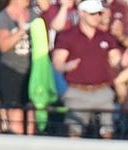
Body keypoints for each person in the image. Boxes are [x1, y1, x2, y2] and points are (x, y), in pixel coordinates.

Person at [51, 0, 122, 138]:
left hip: (103, 91)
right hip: (77, 92)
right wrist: (67, 66)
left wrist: (121, 62)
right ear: (82, 14)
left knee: (108, 131)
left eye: (100, 13)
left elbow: (115, 59)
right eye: (93, 14)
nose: (97, 17)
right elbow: (57, 62)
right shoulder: (67, 36)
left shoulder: (106, 36)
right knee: (74, 132)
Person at [0, 0, 34, 134]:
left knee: (30, 114)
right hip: (12, 71)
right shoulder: (3, 17)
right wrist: (21, 30)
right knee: (15, 114)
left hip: (32, 72)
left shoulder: (34, 15)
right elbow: (3, 45)